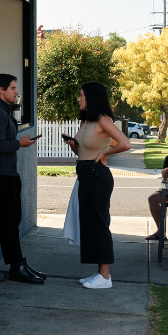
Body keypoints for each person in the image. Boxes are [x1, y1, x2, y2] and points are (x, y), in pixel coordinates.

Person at [68, 82, 132, 289]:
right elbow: (83, 154)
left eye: (81, 95)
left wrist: (106, 153)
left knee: (99, 225)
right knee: (89, 225)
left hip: (98, 177)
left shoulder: (104, 120)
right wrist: (74, 147)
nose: (78, 99)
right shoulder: (86, 121)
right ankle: (99, 274)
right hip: (85, 174)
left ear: (92, 97)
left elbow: (125, 143)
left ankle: (105, 277)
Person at [0, 73, 42, 285]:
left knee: (13, 219)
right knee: (8, 222)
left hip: (8, 173)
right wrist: (19, 144)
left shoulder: (4, 111)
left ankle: (20, 264)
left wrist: (17, 142)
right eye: (13, 88)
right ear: (1, 90)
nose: (17, 92)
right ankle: (17, 267)